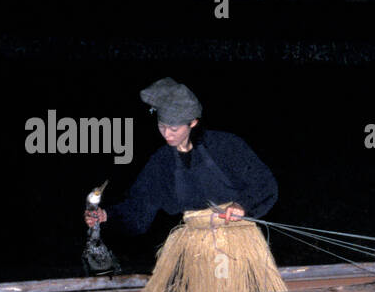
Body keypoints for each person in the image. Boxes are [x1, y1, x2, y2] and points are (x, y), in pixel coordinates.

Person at [84, 78, 278, 235]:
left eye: (174, 129)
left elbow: (264, 183)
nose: (167, 134)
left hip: (237, 237)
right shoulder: (162, 162)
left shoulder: (226, 146)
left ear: (192, 123)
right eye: (162, 127)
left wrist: (242, 205)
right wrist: (107, 215)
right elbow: (140, 206)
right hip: (195, 241)